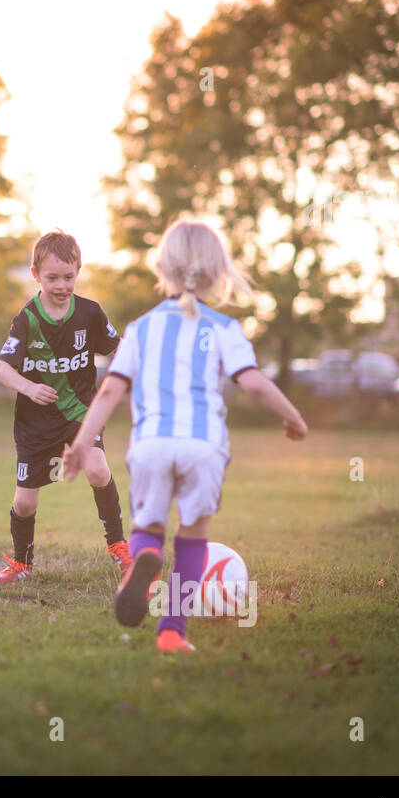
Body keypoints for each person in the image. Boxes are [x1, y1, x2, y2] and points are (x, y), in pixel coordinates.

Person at [63, 220, 308, 652]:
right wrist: (293, 417)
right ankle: (173, 632)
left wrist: (82, 444)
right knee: (192, 537)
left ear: (163, 268)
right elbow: (252, 383)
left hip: (152, 444)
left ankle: (143, 560)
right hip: (202, 447)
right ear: (218, 274)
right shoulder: (224, 329)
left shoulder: (140, 329)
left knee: (148, 528)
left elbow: (110, 391)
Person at [0, 230, 130, 583]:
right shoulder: (27, 319)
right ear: (36, 274)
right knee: (25, 503)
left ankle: (119, 547)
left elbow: (120, 348)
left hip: (80, 411)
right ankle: (22, 563)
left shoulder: (89, 313)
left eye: (69, 277)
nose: (61, 285)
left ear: (78, 271)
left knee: (97, 468)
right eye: (52, 277)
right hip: (35, 422)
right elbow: (0, 367)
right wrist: (28, 386)